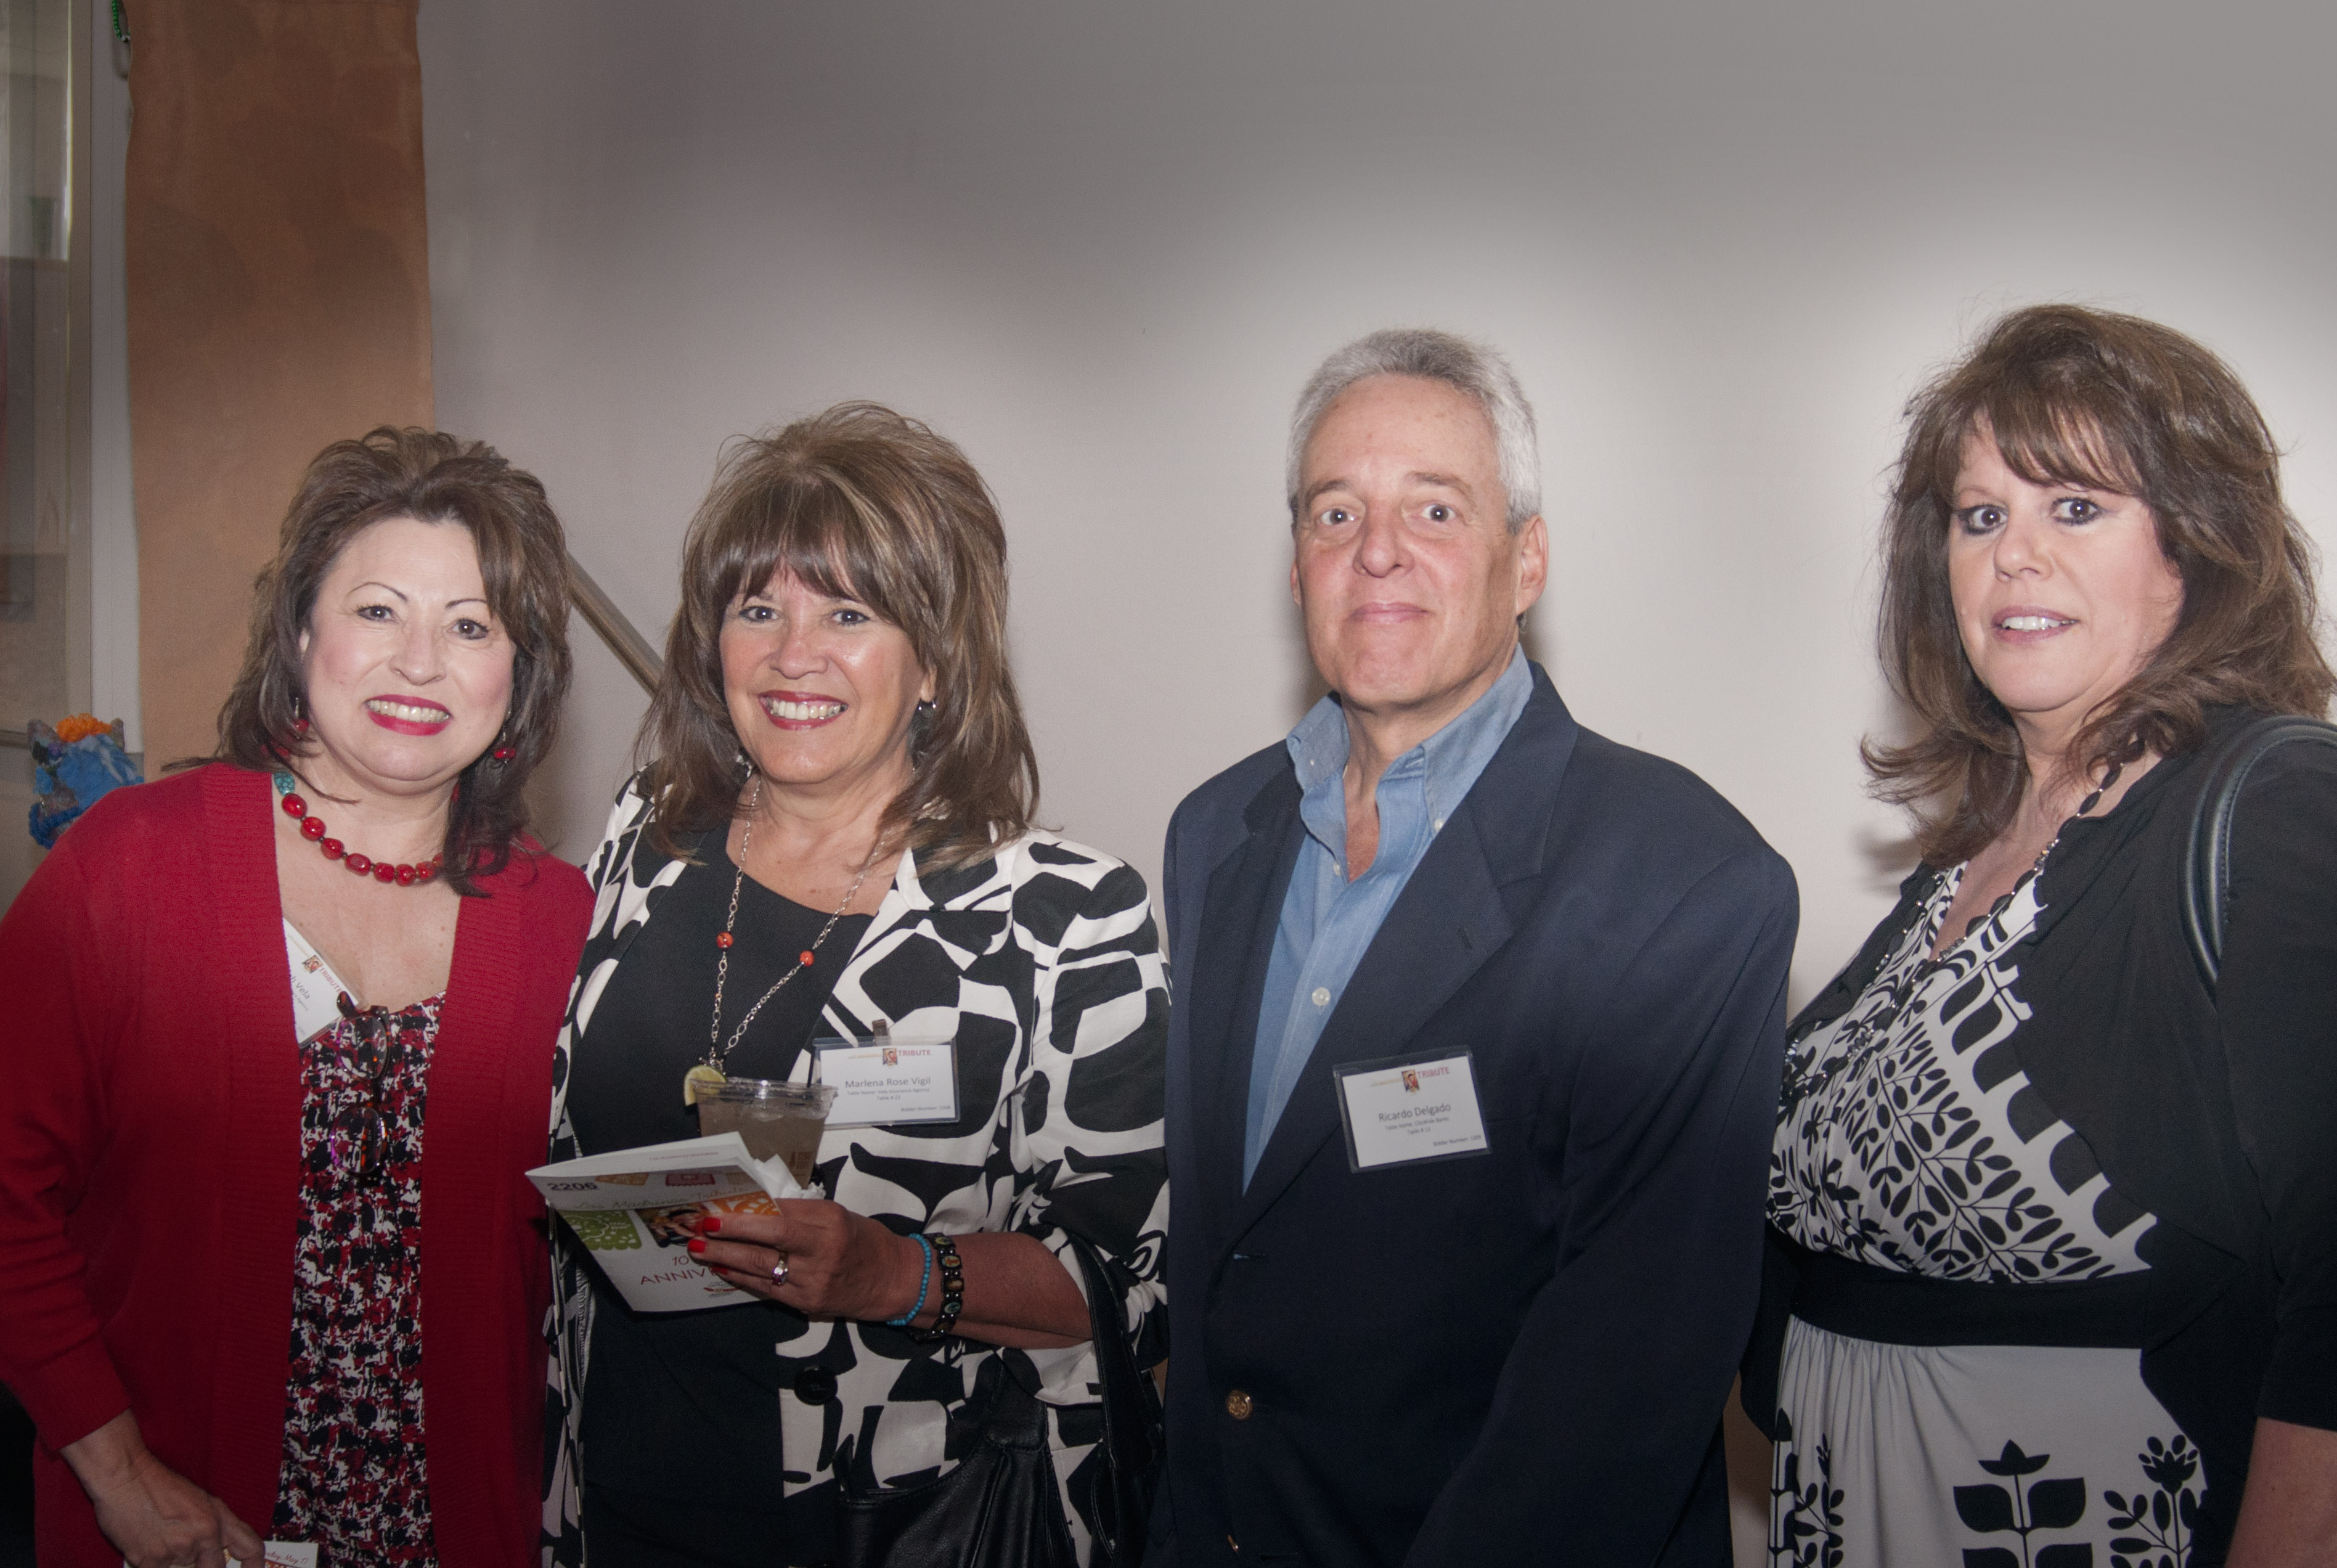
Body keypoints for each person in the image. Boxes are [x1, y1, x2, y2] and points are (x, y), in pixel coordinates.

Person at [1152, 329, 1798, 1566]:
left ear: (1526, 562)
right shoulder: (1216, 835)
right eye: (1335, 513)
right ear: (1295, 566)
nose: (1377, 551)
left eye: (1435, 509)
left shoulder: (1687, 882)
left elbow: (1621, 1385)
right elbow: (1225, 1266)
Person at [1748, 304, 2337, 1565]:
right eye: (1980, 516)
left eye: (2077, 507)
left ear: (2195, 546)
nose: (2016, 555)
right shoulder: (1966, 861)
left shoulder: (2276, 807)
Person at [542, 402, 1169, 1568]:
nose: (793, 655)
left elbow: (1128, 1283)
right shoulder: (647, 847)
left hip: (899, 1523)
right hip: (617, 1501)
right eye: (758, 609)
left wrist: (894, 1273)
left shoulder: (1063, 918)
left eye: (850, 612)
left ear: (935, 659)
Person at [0, 428, 593, 1568]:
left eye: (471, 627)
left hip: (462, 1529)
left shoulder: (566, 922)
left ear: (517, 678)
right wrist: (118, 1478)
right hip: (173, 1529)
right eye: (378, 611)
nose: (419, 661)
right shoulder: (129, 865)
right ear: (302, 632)